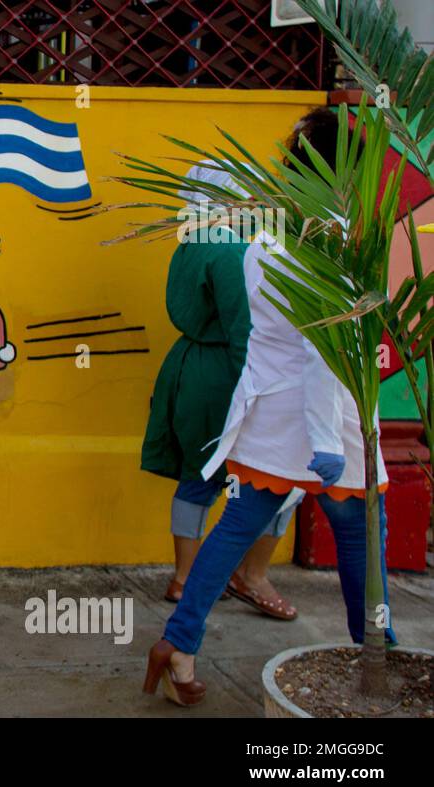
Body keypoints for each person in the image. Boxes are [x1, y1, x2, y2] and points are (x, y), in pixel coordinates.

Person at [144, 108, 399, 707]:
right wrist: (329, 444)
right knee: (366, 540)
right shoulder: (332, 241)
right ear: (348, 173)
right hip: (325, 418)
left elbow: (268, 337)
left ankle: (178, 643)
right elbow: (320, 351)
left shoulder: (265, 235)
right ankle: (380, 651)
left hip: (269, 416)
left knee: (233, 531)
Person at [141, 163, 297, 620]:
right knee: (276, 476)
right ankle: (252, 575)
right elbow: (243, 330)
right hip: (226, 375)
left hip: (190, 367)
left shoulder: (190, 240)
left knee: (198, 474)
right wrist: (259, 388)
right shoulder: (229, 249)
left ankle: (183, 577)